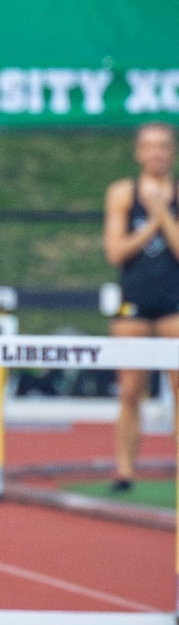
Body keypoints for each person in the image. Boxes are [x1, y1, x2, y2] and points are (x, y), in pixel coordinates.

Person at [102, 122, 179, 494]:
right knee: (130, 390)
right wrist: (151, 223)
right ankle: (124, 470)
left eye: (163, 146)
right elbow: (115, 252)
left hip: (174, 304)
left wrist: (164, 213)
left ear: (172, 151)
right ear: (137, 151)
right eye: (149, 146)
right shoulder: (122, 193)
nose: (156, 153)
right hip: (133, 302)